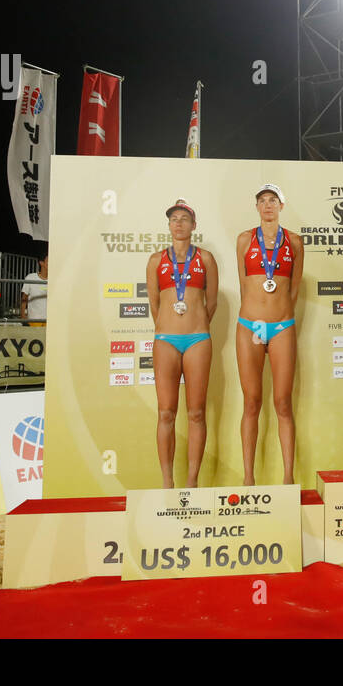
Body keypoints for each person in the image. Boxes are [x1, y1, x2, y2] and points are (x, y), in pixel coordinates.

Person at [235, 184, 304, 486]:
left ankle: (288, 478)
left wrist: (279, 317)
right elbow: (242, 285)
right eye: (262, 201)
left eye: (272, 200)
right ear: (257, 207)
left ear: (281, 206)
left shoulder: (296, 242)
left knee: (283, 403)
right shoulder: (244, 240)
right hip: (250, 325)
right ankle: (248, 479)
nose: (267, 205)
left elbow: (295, 287)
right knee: (251, 402)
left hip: (281, 327)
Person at [148, 201, 219, 489]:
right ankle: (167, 482)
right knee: (165, 412)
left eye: (184, 219)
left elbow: (211, 302)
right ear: (169, 225)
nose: (178, 223)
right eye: (174, 219)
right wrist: (168, 324)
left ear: (193, 226)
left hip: (198, 340)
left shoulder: (206, 259)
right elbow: (154, 304)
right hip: (165, 340)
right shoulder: (155, 261)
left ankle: (192, 481)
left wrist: (196, 323)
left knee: (197, 412)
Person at [20, 251, 49, 325]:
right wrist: (23, 316)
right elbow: (24, 298)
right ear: (41, 263)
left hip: (50, 321)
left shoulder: (55, 279)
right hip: (34, 320)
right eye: (49, 260)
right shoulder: (31, 277)